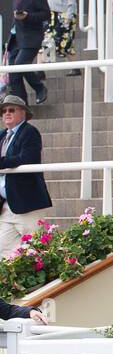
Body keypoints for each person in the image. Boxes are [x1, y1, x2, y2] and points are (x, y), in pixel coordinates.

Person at [0, 95, 55, 257]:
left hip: (27, 204)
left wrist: (1, 163)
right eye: (4, 111)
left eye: (11, 110)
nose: (6, 113)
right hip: (6, 206)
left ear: (23, 113)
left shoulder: (30, 132)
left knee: (38, 250)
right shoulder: (2, 135)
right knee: (3, 251)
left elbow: (27, 158)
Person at [6, 0, 50, 106]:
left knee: (20, 65)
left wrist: (27, 16)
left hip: (31, 38)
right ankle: (22, 105)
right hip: (16, 38)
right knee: (13, 73)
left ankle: (39, 87)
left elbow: (45, 14)